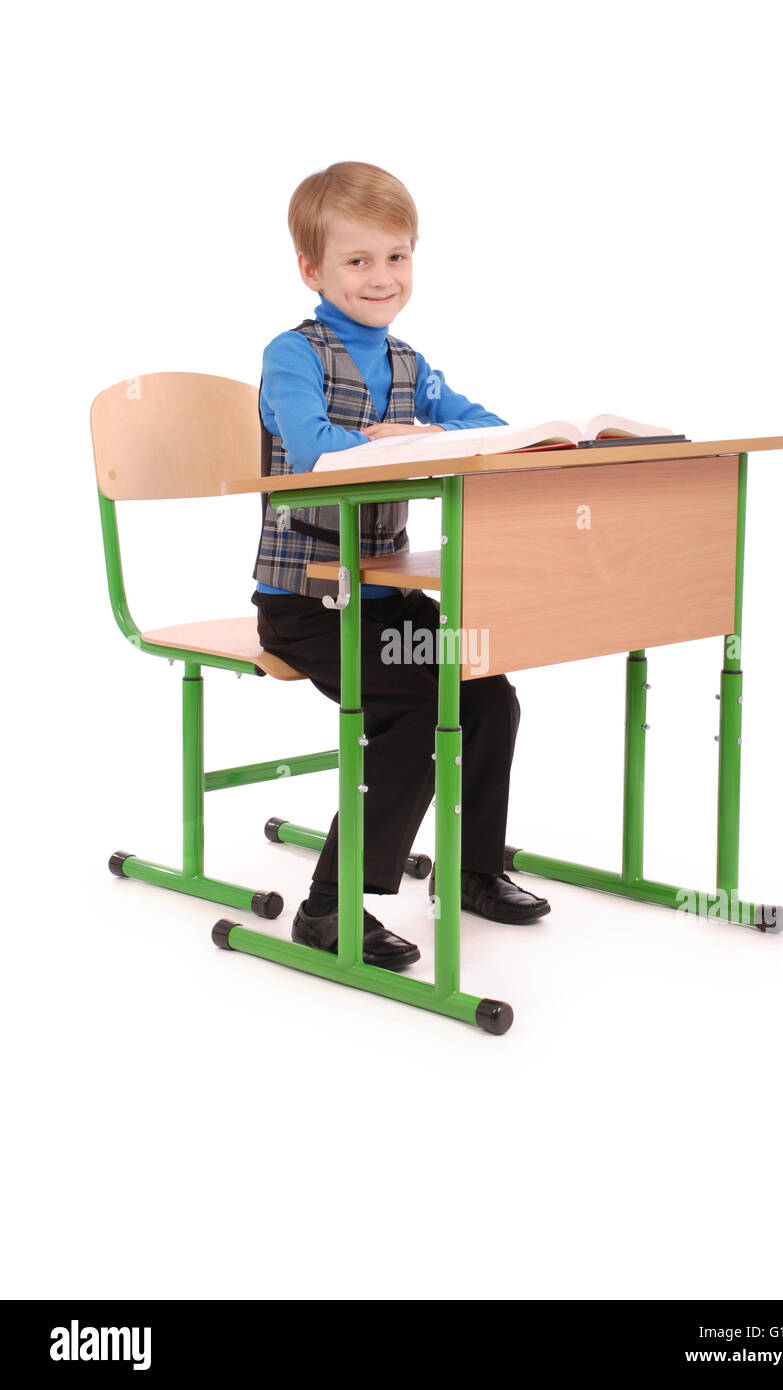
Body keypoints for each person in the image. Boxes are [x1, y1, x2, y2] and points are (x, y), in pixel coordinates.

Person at [251, 161, 550, 971]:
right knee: (413, 713)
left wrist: (443, 433)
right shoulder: (294, 356)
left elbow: (482, 424)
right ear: (312, 270)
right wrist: (408, 443)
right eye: (357, 261)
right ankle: (330, 910)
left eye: (397, 257)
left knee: (485, 690)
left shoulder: (411, 364)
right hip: (307, 602)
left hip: (379, 598)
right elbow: (314, 449)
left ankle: (475, 871)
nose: (381, 279)